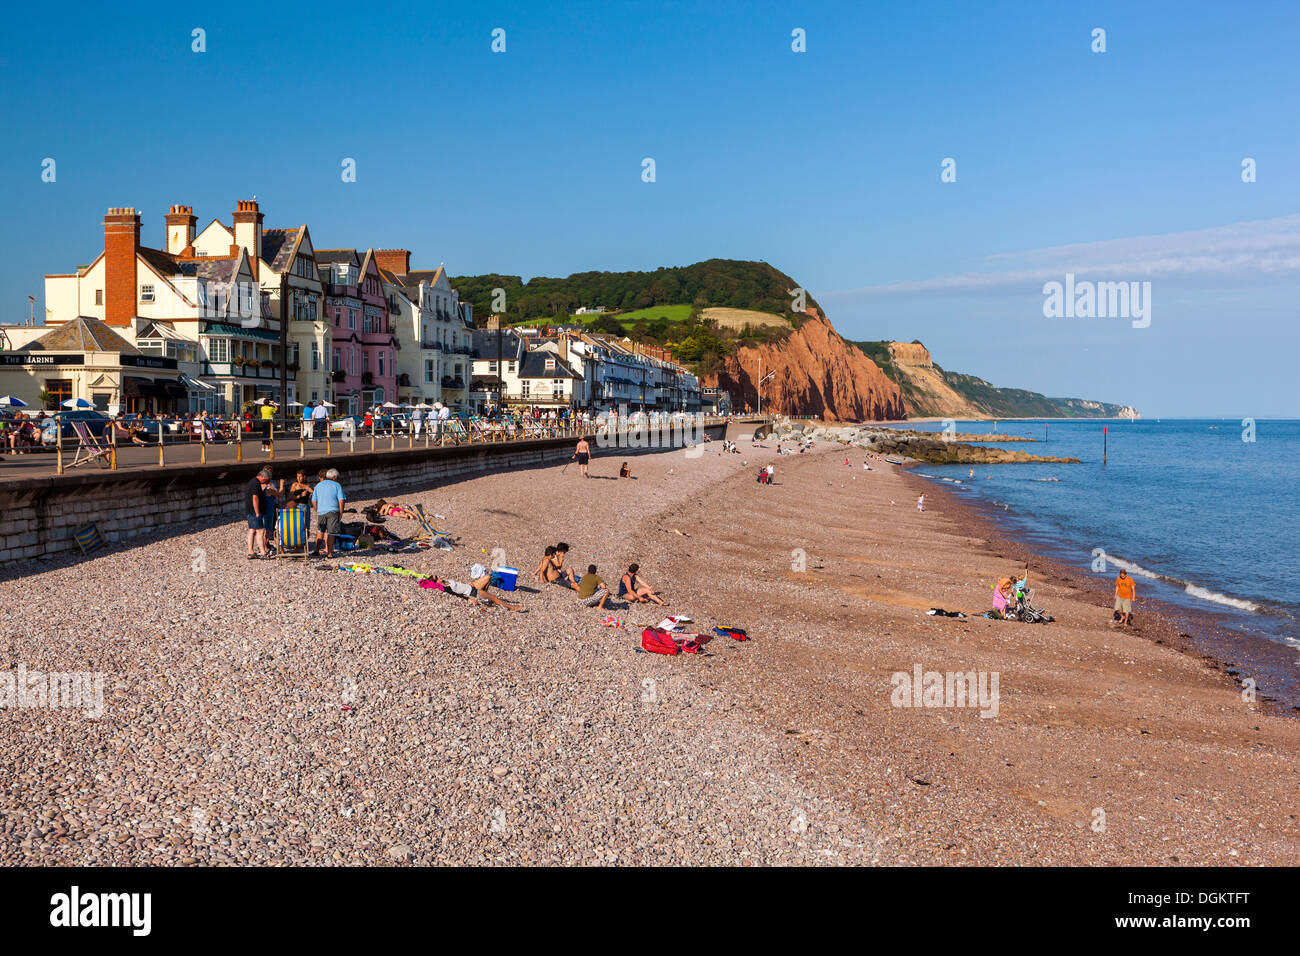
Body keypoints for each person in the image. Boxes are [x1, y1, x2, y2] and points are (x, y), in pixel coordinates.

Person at [312, 467, 347, 558]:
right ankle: (329, 553)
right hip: (333, 511)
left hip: (321, 511)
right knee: (331, 533)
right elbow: (341, 500)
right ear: (334, 477)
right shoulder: (337, 485)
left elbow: (314, 501)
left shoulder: (318, 486)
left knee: (320, 531)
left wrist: (317, 510)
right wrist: (341, 512)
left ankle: (316, 550)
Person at [245, 466, 274, 559]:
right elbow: (255, 498)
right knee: (260, 531)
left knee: (252, 530)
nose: (266, 482)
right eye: (266, 480)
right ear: (263, 477)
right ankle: (262, 552)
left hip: (250, 511)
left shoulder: (253, 481)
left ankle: (251, 552)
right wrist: (257, 512)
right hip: (254, 511)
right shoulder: (256, 483)